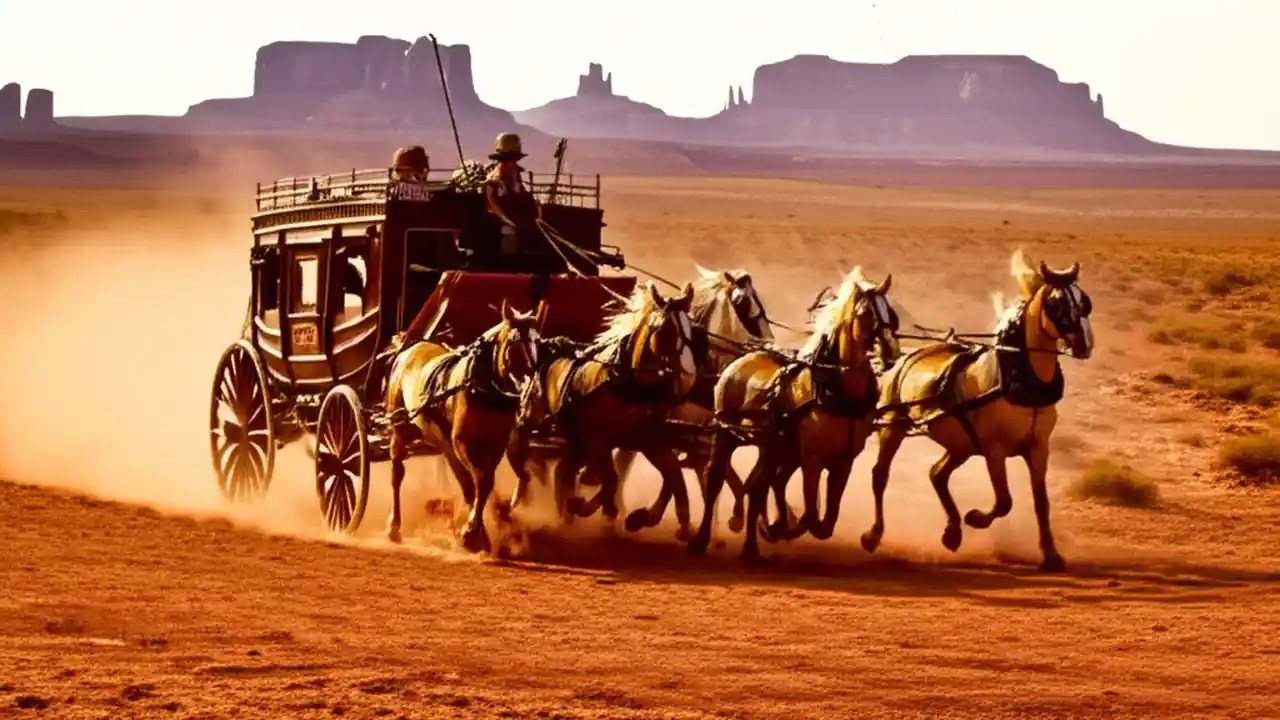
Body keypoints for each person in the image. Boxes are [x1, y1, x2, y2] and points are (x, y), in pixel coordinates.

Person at [484, 132, 536, 253]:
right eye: (510, 159)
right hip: (499, 216)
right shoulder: (496, 177)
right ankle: (508, 259)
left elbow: (519, 193)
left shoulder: (515, 174)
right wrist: (511, 220)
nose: (513, 163)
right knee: (510, 232)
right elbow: (495, 202)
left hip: (513, 213)